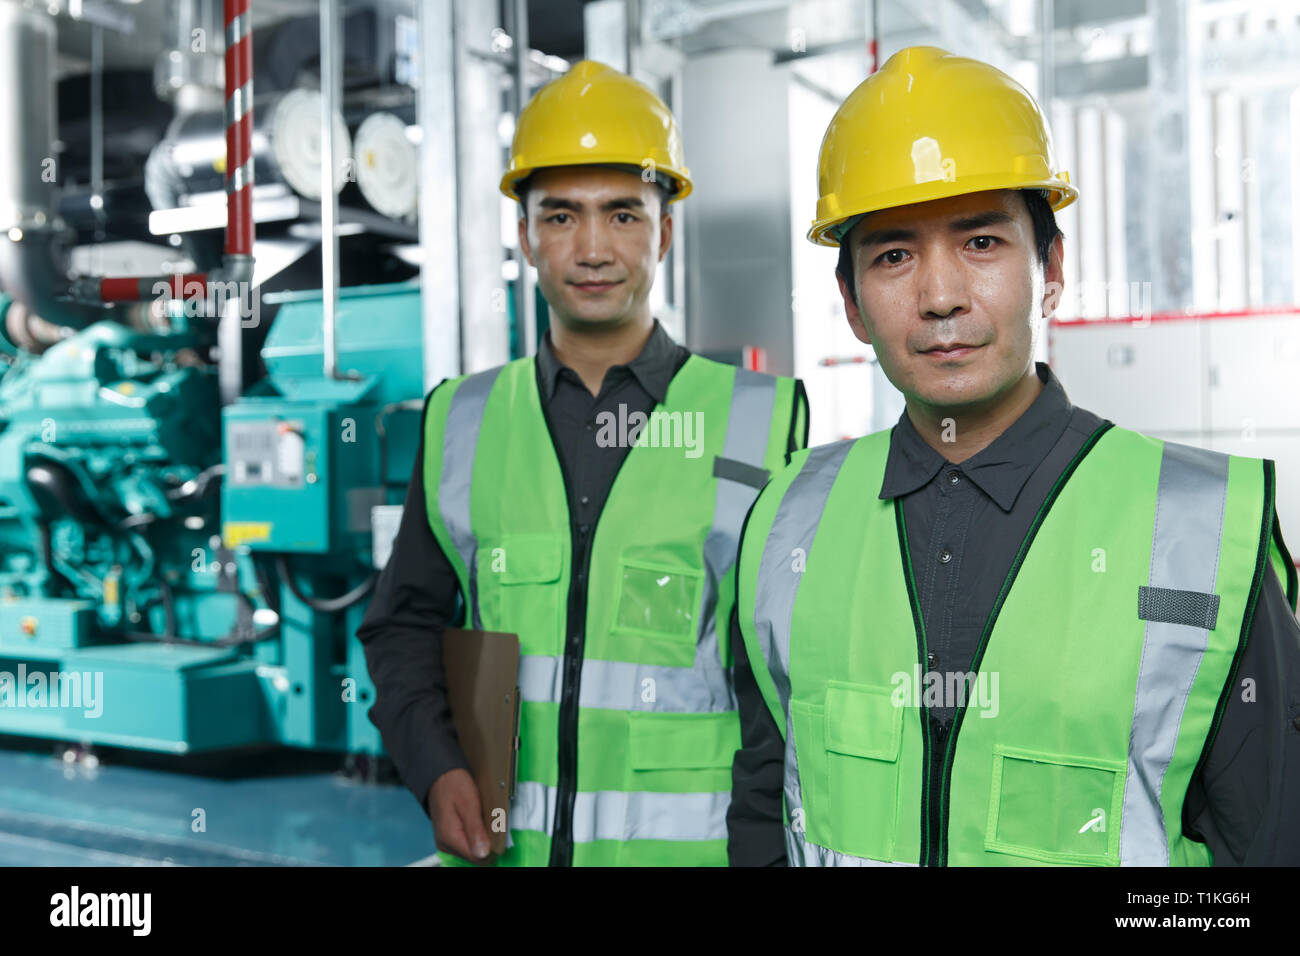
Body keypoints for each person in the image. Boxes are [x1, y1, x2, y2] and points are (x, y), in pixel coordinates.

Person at [727, 46, 1299, 866]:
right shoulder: (785, 523)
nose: (940, 295)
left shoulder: (1203, 530)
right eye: (893, 255)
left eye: (982, 242)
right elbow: (765, 808)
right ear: (851, 304)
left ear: (1051, 270)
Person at [358, 60, 809, 866]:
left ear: (665, 231)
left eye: (624, 215)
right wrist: (435, 767)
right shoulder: (461, 419)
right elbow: (404, 624)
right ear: (526, 235)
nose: (594, 248)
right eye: (562, 215)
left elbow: (787, 678)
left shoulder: (760, 420)